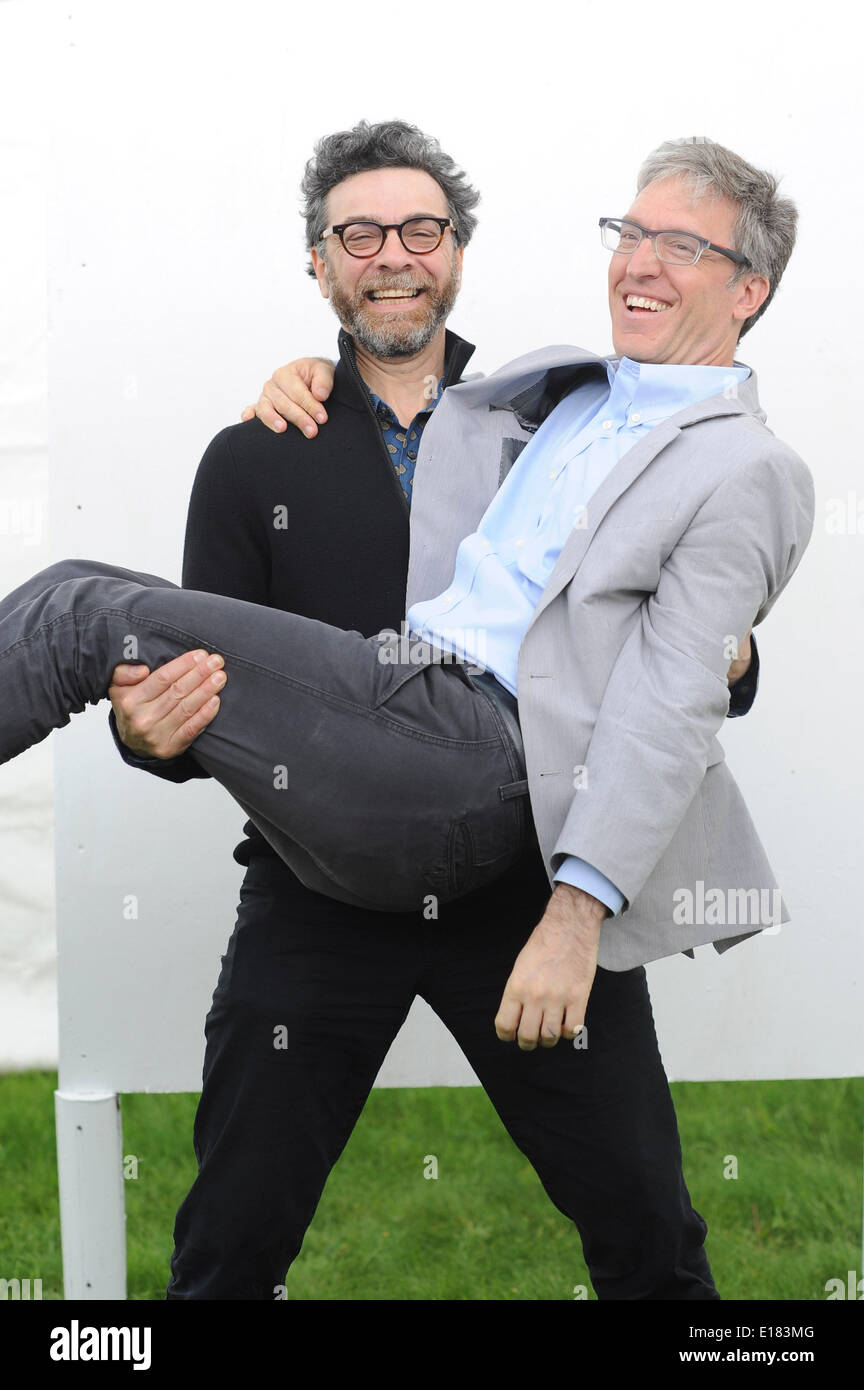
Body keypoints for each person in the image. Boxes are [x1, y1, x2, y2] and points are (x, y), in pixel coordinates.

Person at [0, 127, 809, 1300]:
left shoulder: (553, 416)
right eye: (631, 232)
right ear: (320, 264)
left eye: (419, 231)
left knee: (646, 1234)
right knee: (227, 1247)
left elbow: (680, 682)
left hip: (506, 832)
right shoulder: (503, 411)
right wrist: (144, 731)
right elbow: (224, 705)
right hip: (327, 858)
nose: (393, 256)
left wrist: (579, 916)